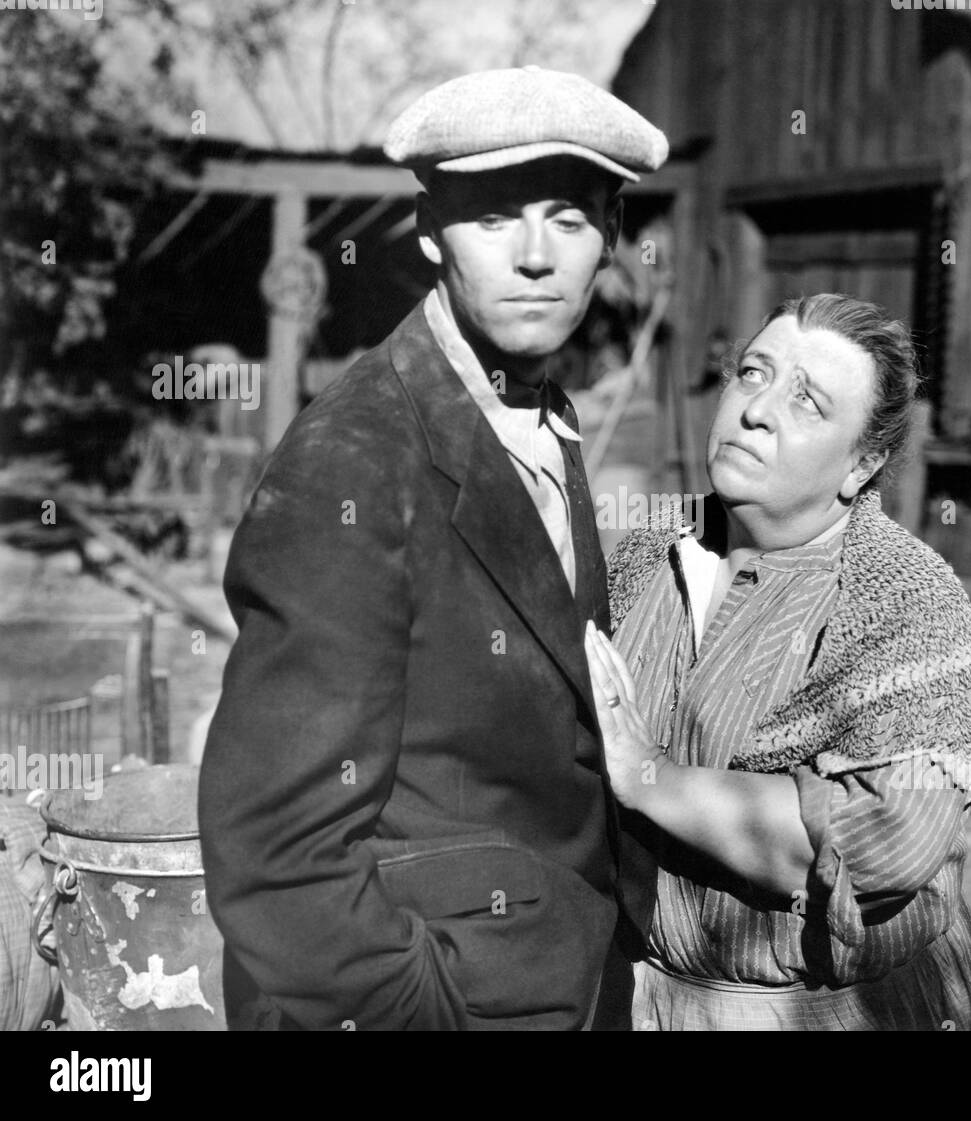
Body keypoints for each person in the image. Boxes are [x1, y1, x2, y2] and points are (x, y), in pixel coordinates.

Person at [198, 67, 667, 1031]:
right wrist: (432, 1006)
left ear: (611, 238)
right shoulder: (354, 463)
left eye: (570, 220)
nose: (537, 257)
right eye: (496, 218)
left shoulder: (535, 409)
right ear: (428, 234)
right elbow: (276, 855)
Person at [584, 294, 971, 1031]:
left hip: (824, 1013)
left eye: (807, 403)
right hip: (644, 996)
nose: (757, 410)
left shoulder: (904, 597)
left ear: (863, 463)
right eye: (753, 373)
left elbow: (889, 839)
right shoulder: (652, 547)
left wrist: (649, 777)